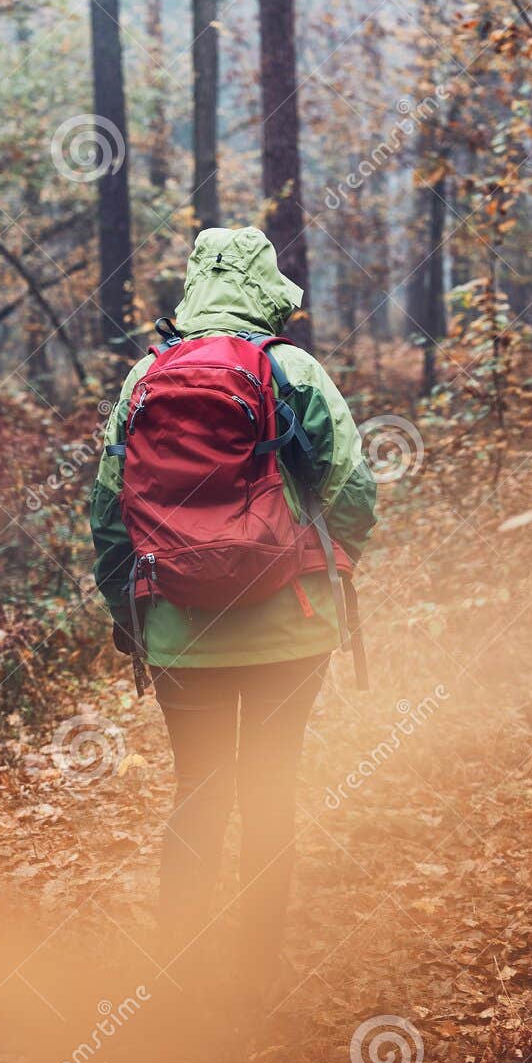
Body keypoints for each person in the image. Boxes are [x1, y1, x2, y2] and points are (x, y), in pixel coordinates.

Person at [90, 226, 377, 1012]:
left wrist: (128, 613)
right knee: (270, 789)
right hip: (292, 628)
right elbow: (355, 491)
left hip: (179, 630)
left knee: (199, 790)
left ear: (193, 284)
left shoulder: (144, 376)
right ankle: (256, 980)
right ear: (266, 285)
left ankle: (179, 978)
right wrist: (324, 564)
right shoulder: (294, 371)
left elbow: (108, 513)